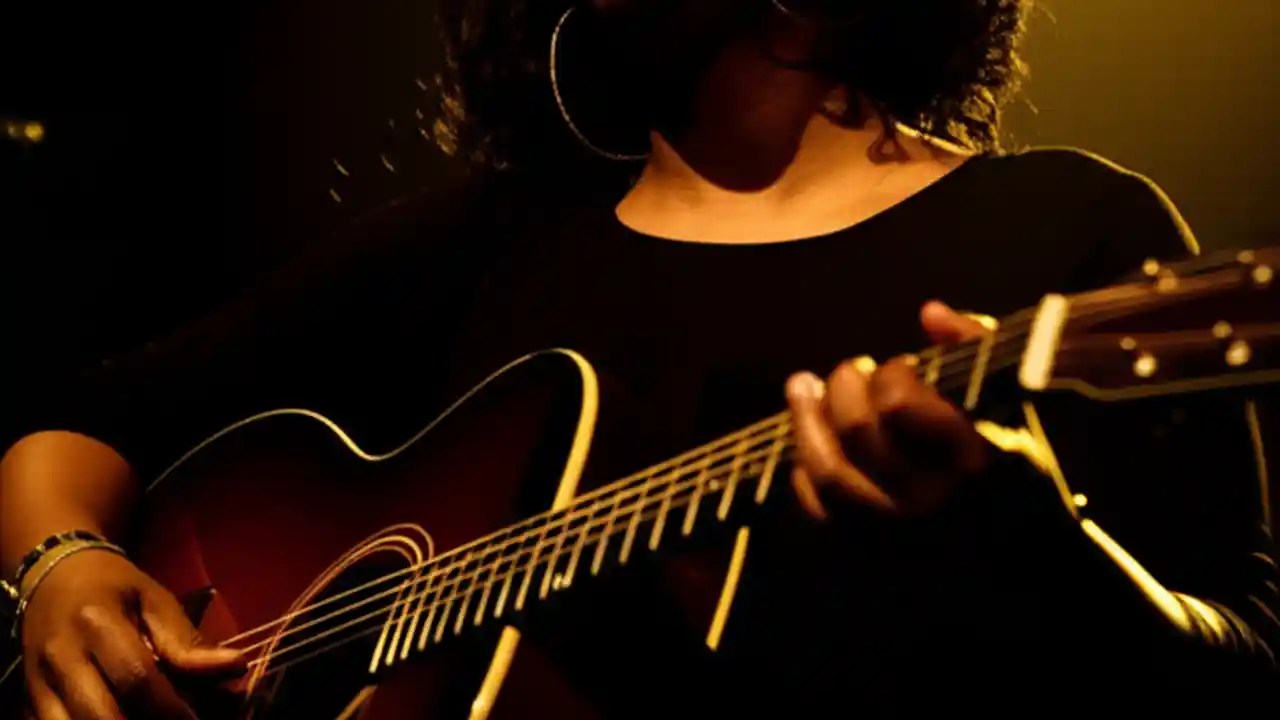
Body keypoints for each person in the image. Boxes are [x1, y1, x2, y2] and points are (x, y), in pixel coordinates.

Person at [2, 0, 1277, 717]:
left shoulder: (1066, 228)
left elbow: (1245, 657)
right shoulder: (494, 235)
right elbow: (88, 419)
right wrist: (62, 565)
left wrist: (1042, 545)